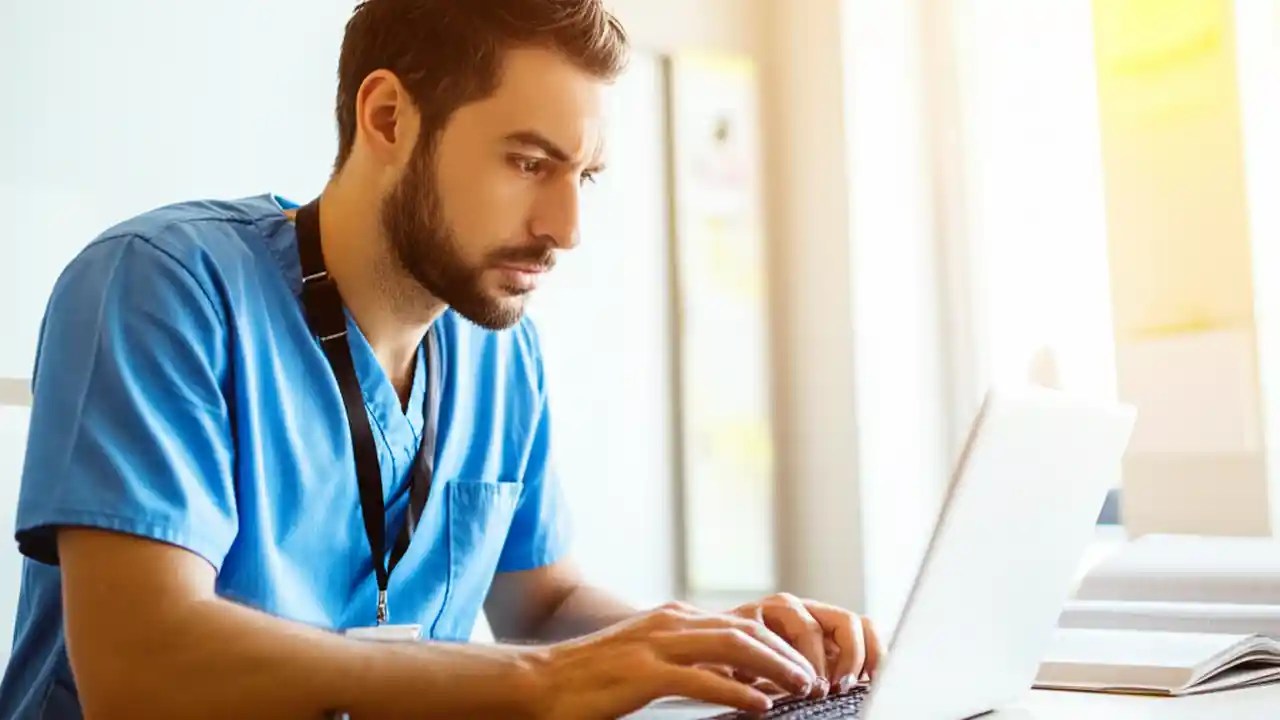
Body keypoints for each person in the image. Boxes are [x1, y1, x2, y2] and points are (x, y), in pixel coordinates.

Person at [0, 1, 881, 718]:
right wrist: (544, 685)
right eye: (529, 161)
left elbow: (539, 605)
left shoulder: (501, 349)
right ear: (387, 117)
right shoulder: (161, 287)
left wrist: (711, 642)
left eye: (586, 176)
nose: (565, 229)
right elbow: (139, 670)